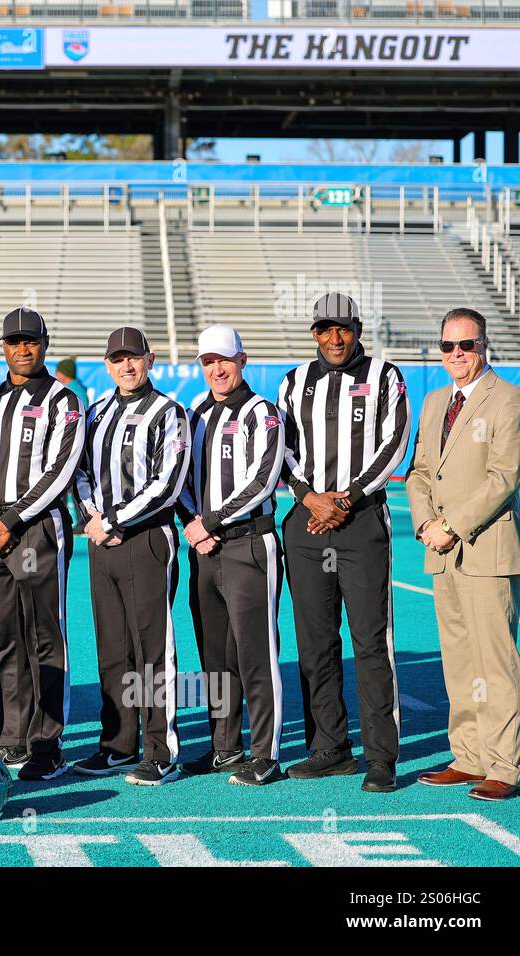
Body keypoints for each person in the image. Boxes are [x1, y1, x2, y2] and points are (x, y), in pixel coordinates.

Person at [277, 292, 410, 794]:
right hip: (308, 522)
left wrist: (346, 499)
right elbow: (282, 448)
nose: (335, 338)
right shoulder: (294, 382)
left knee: (371, 643)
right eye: (325, 329)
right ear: (314, 333)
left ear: (357, 329)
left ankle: (381, 757)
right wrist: (311, 498)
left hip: (360, 521)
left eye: (344, 329)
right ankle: (330, 748)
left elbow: (394, 441)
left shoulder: (385, 376)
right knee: (314, 643)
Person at [405, 308, 520, 801]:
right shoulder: (435, 401)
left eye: (467, 345)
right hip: (441, 550)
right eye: (448, 347)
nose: (457, 355)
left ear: (485, 346)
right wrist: (424, 525)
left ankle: (504, 765)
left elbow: (504, 477)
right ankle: (470, 754)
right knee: (459, 660)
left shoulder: (513, 400)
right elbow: (417, 473)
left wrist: (452, 526)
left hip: (486, 550)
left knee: (495, 661)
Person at [73, 326, 191, 786]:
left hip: (145, 539)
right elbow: (80, 471)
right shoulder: (97, 413)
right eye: (117, 359)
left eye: (134, 358)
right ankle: (119, 744)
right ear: (106, 366)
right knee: (112, 649)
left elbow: (168, 482)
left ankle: (161, 749)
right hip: (102, 539)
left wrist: (115, 520)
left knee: (152, 650)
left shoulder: (169, 412)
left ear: (150, 359)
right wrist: (93, 517)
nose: (127, 366)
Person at [0, 309, 84, 781]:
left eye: (31, 341)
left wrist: (10, 520)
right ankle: (11, 737)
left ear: (45, 343)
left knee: (44, 636)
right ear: (3, 346)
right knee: (2, 638)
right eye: (15, 341)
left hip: (37, 528)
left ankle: (46, 743)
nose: (23, 349)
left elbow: (61, 471)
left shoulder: (65, 400)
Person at [177, 325, 286, 786]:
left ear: (242, 360)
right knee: (214, 657)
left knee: (255, 652)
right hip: (205, 548)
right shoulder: (193, 412)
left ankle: (266, 752)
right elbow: (178, 475)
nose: (216, 369)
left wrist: (212, 521)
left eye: (224, 359)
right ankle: (225, 747)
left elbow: (264, 478)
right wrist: (192, 523)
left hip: (247, 544)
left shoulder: (263, 412)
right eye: (208, 361)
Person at [55, 356, 90, 532]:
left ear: (63, 373)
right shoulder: (78, 388)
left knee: (69, 484)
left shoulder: (70, 392)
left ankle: (81, 520)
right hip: (76, 445)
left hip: (70, 446)